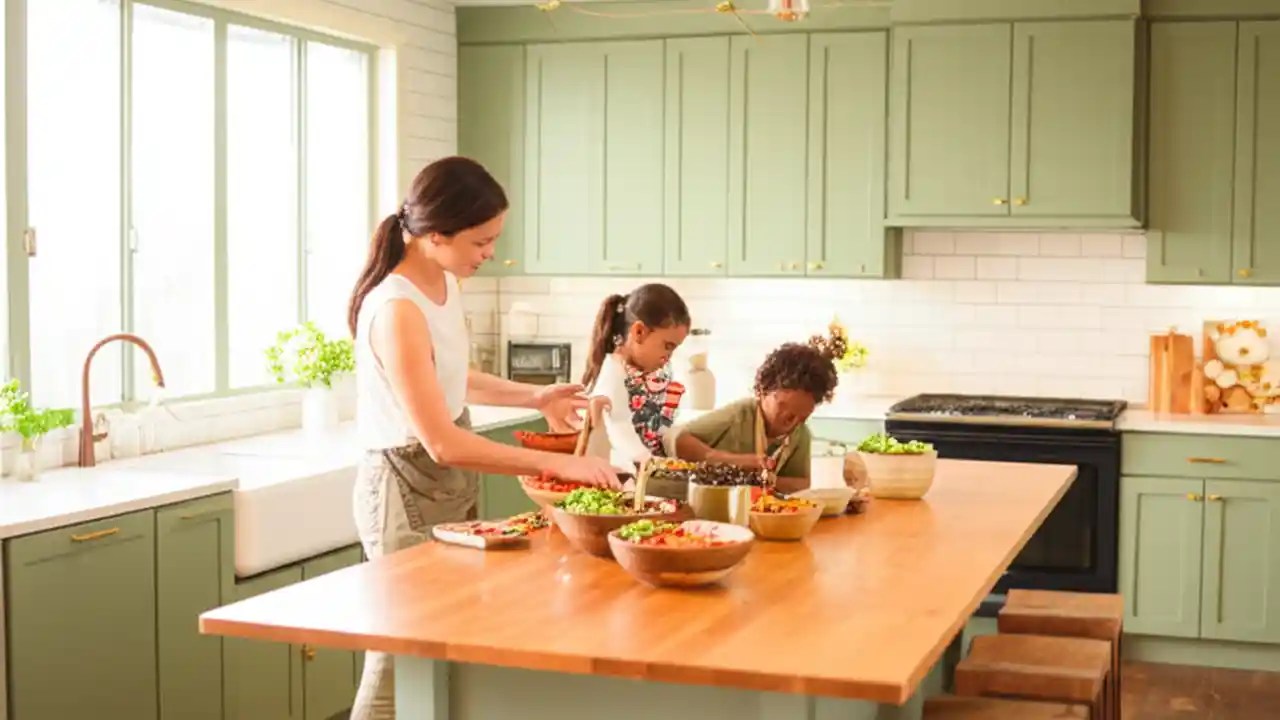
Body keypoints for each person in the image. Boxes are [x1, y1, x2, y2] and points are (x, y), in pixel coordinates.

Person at [346, 156, 617, 720]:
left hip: (444, 479)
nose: (489, 253)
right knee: (400, 652)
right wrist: (559, 467)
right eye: (481, 241)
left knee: (447, 644)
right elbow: (443, 441)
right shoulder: (395, 308)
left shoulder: (444, 282)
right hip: (404, 484)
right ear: (434, 234)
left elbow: (448, 373)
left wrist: (535, 396)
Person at [663, 334, 842, 496]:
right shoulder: (739, 414)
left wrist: (767, 480)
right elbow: (677, 439)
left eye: (802, 417)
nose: (791, 422)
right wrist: (738, 462)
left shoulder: (800, 434)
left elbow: (802, 483)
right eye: (783, 407)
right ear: (763, 390)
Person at [582, 284, 692, 474]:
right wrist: (651, 463)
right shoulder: (613, 373)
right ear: (639, 332)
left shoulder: (637, 374)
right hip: (621, 480)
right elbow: (619, 427)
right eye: (667, 346)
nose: (668, 357)